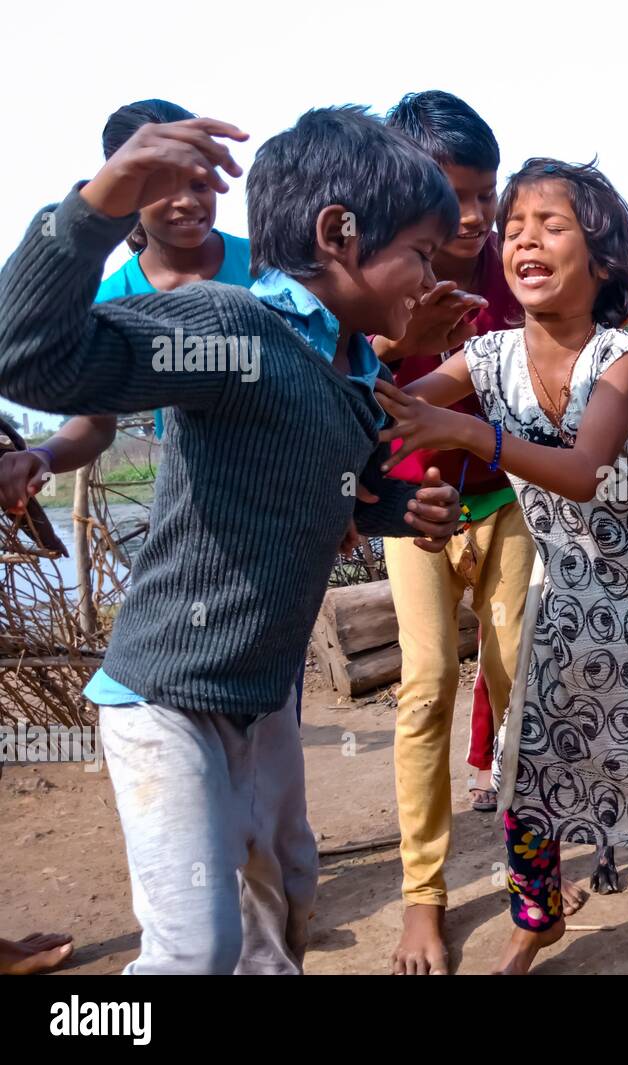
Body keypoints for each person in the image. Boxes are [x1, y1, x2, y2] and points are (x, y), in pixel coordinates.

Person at [0, 107, 463, 974]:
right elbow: (26, 353)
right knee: (195, 950)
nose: (431, 276)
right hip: (167, 698)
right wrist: (97, 206)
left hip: (262, 696)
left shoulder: (347, 373)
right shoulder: (233, 333)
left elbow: (326, 494)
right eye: (423, 253)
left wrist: (395, 510)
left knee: (285, 897)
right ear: (341, 233)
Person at [377, 158, 628, 975]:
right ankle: (539, 917)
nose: (524, 238)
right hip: (563, 600)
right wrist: (388, 350)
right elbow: (391, 405)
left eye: (550, 225)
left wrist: (463, 435)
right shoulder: (488, 355)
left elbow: (589, 468)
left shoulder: (623, 356)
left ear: (600, 259)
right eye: (515, 226)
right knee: (530, 766)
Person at [374, 90, 548, 977]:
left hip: (506, 498)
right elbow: (360, 399)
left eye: (487, 193)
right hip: (412, 513)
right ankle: (423, 899)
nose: (479, 216)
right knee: (430, 681)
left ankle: (533, 878)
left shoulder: (509, 269)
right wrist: (401, 334)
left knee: (521, 677)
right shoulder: (372, 274)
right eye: (458, 198)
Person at [0, 98, 253, 518]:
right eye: (162, 186)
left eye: (199, 183)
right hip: (197, 506)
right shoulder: (111, 298)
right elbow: (95, 423)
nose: (187, 202)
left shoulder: (269, 267)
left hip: (294, 486)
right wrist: (44, 455)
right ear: (125, 188)